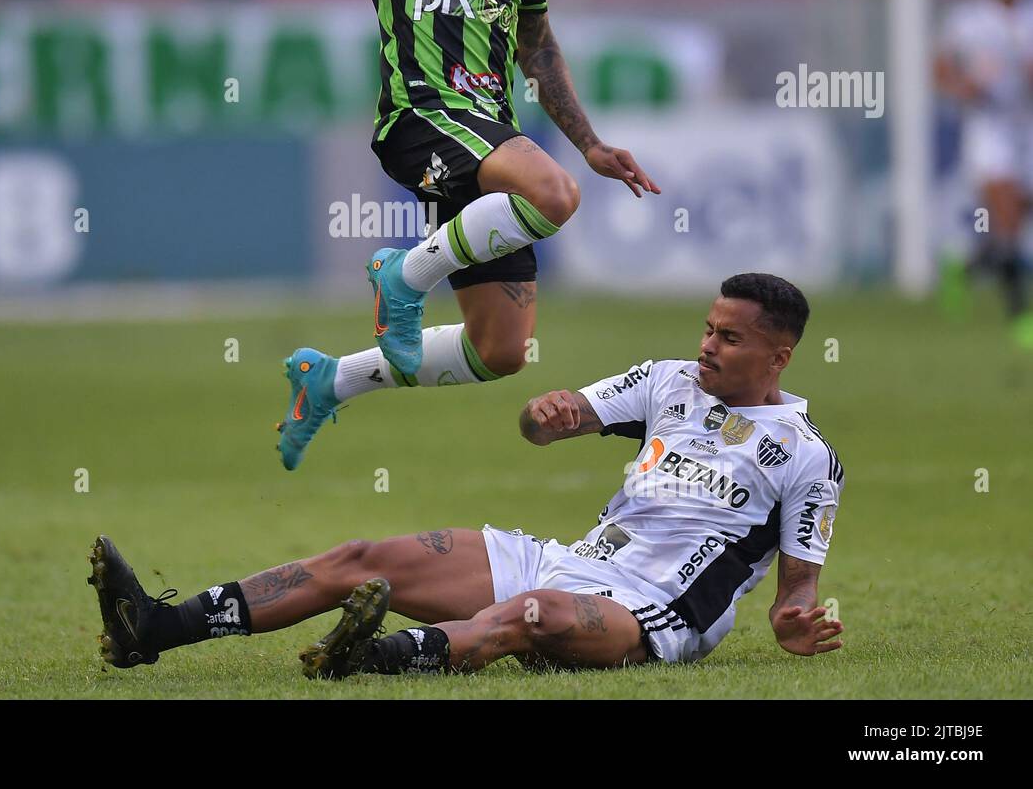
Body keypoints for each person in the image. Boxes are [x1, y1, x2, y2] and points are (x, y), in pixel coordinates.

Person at [100, 0, 660, 470]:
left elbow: (536, 46)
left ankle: (331, 379)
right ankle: (403, 278)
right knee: (554, 194)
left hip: (488, 133)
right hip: (423, 116)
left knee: (501, 351)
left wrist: (592, 143)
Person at [86, 273, 845, 678]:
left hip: (653, 615)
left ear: (778, 358)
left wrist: (793, 621)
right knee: (365, 559)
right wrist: (545, 416)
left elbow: (798, 590)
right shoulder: (668, 381)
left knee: (534, 616)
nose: (708, 347)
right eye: (708, 329)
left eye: (731, 339)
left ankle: (374, 659)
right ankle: (156, 629)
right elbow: (549, 420)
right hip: (571, 562)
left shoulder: (807, 456)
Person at [934, 0, 1033, 347]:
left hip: (1026, 125)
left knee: (1015, 219)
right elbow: (940, 69)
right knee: (1007, 215)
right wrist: (964, 88)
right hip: (988, 127)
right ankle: (1021, 315)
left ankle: (966, 266)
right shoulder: (968, 20)